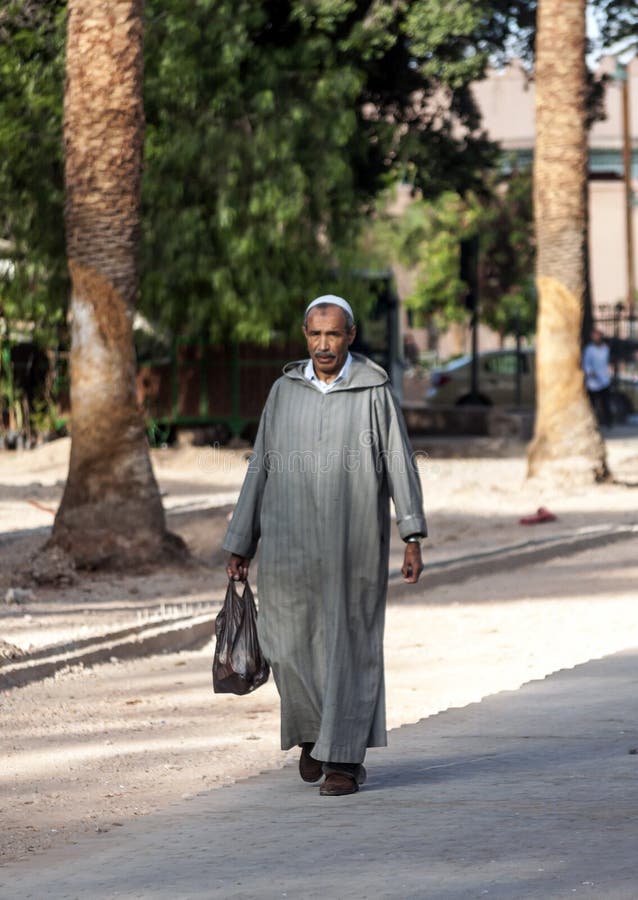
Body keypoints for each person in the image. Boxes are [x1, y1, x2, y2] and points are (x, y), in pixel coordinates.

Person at [223, 295, 426, 797]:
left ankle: (343, 759)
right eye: (315, 335)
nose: (323, 345)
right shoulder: (284, 391)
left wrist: (412, 535)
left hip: (351, 541)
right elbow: (260, 467)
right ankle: (315, 734)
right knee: (287, 645)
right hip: (288, 541)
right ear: (305, 335)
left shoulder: (374, 389)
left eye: (333, 334)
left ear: (350, 336)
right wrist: (241, 540)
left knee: (346, 645)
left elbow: (400, 461)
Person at [582, 327, 612, 428]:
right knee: (592, 404)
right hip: (593, 381)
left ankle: (608, 422)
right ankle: (592, 423)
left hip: (604, 380)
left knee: (605, 403)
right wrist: (590, 372)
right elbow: (586, 364)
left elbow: (607, 362)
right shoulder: (589, 349)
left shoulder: (606, 349)